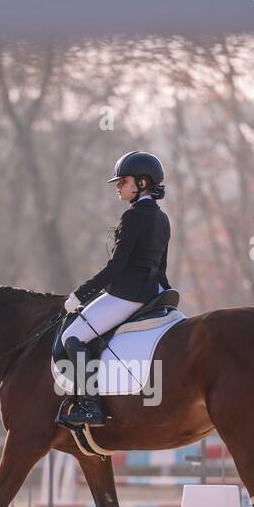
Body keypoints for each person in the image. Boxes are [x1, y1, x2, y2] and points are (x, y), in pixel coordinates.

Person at [57, 150, 171, 428]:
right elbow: (162, 266)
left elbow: (116, 267)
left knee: (72, 337)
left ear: (142, 184)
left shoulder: (133, 217)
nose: (118, 187)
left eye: (123, 181)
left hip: (127, 294)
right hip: (152, 292)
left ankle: (91, 406)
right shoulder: (162, 218)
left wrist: (80, 294)